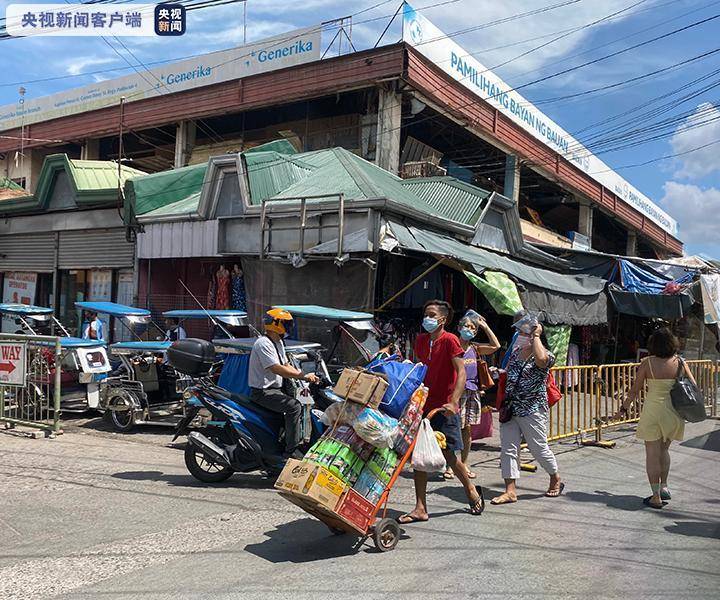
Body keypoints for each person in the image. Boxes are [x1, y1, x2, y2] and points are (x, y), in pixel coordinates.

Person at [398, 300, 484, 524]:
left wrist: (454, 402)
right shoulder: (421, 340)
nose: (427, 318)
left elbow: (461, 372)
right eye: (426, 313)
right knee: (419, 457)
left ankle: (470, 489)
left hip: (444, 408)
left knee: (450, 456)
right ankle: (420, 507)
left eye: (432, 314)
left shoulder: (450, 340)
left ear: (443, 319)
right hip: (423, 406)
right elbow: (417, 370)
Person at [612, 328, 695, 509]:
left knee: (652, 455)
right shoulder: (680, 362)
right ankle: (664, 486)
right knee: (664, 451)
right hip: (673, 412)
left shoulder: (647, 363)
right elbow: (693, 385)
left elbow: (634, 390)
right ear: (673, 343)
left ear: (653, 344)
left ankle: (655, 496)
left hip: (652, 412)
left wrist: (623, 410)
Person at [492, 318, 563, 504]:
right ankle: (510, 490)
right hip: (510, 407)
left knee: (538, 448)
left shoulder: (545, 354)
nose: (520, 336)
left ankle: (555, 477)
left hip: (532, 409)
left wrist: (537, 335)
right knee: (508, 448)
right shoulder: (515, 352)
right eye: (520, 333)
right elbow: (510, 372)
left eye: (525, 333)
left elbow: (542, 361)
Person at [248, 308, 319, 458]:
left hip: (276, 389)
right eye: (286, 323)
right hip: (263, 392)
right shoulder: (263, 343)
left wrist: (305, 376)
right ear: (276, 324)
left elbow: (286, 365)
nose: (289, 327)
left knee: (299, 401)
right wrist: (304, 376)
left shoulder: (278, 342)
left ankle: (283, 442)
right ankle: (291, 451)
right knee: (294, 407)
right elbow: (277, 369)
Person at [443, 310, 500, 480]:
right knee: (452, 428)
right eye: (466, 326)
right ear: (459, 328)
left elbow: (495, 346)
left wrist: (485, 326)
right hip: (455, 393)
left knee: (467, 429)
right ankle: (450, 466)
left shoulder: (475, 348)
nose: (469, 329)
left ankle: (464, 463)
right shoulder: (452, 345)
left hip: (472, 392)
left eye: (472, 328)